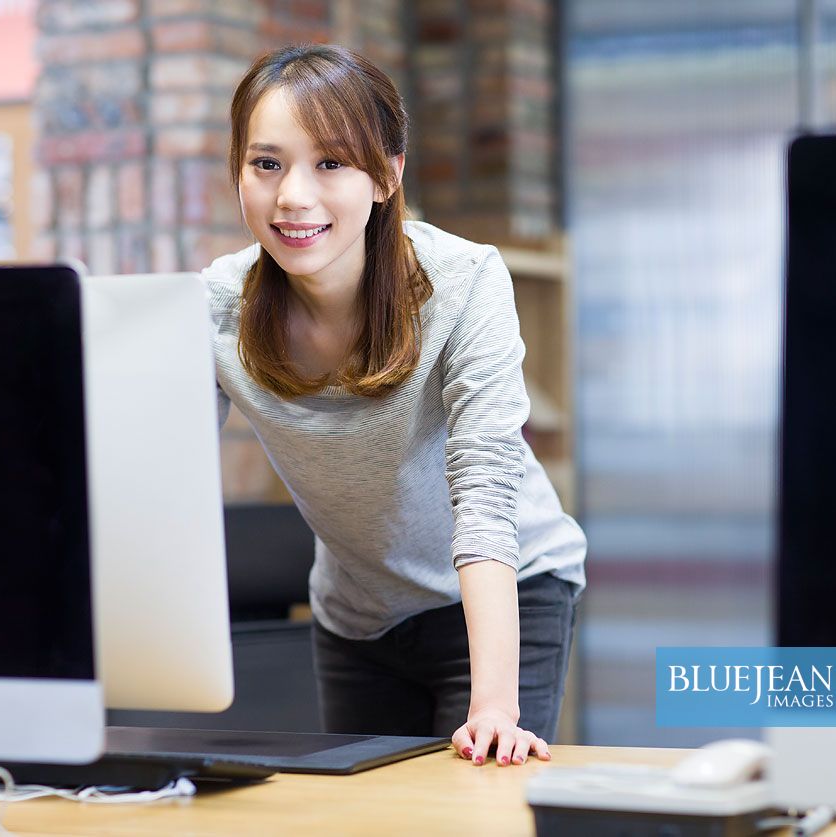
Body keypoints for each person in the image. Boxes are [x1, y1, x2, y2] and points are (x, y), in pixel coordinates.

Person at [203, 43, 586, 768]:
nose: (293, 196)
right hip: (356, 617)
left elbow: (483, 491)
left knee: (477, 804)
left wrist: (495, 706)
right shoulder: (217, 308)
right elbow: (164, 483)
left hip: (503, 593)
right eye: (266, 163)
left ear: (386, 174)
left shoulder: (463, 280)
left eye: (331, 162)